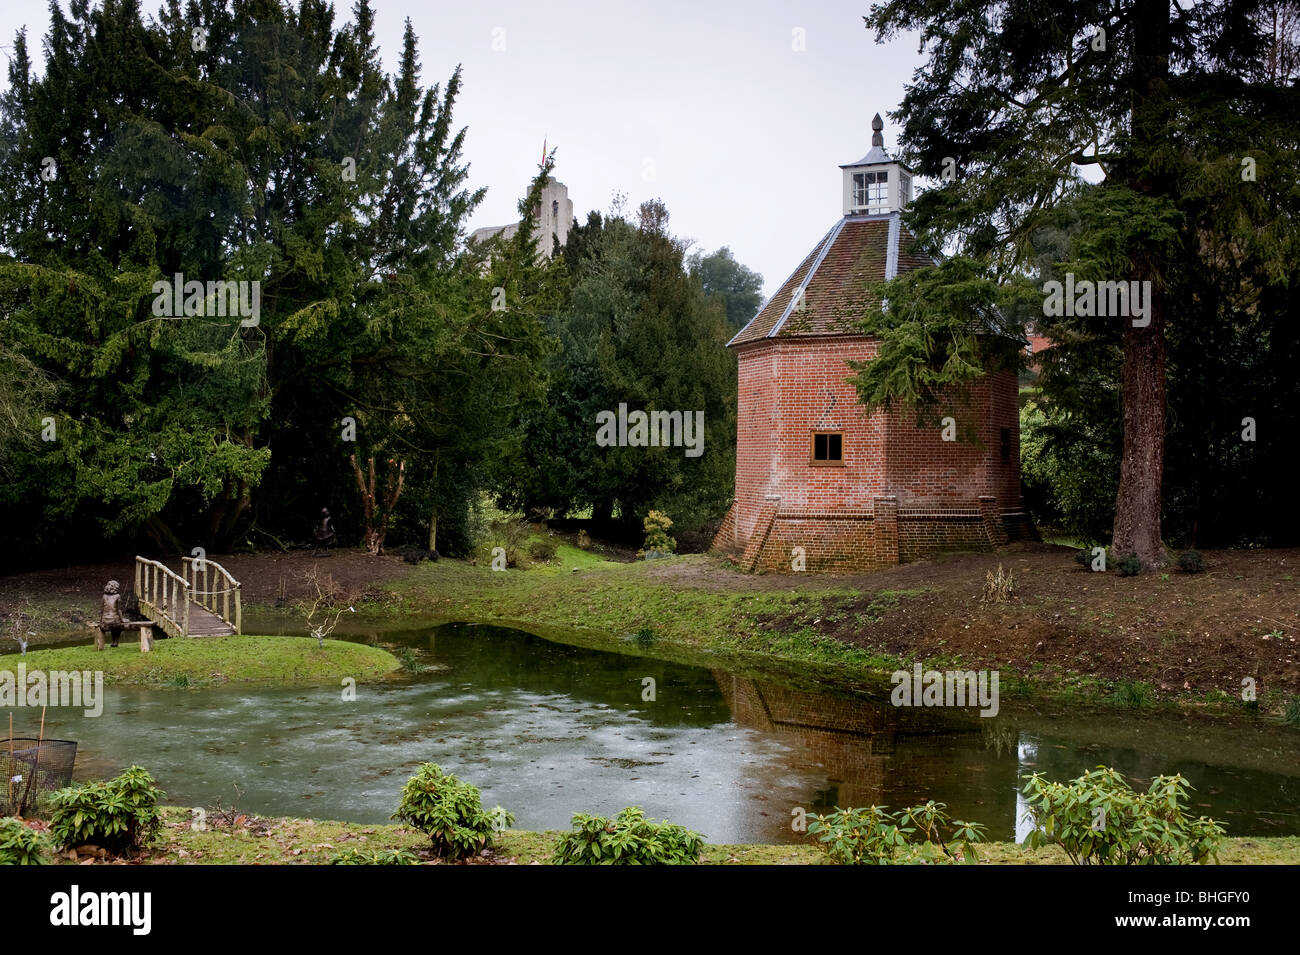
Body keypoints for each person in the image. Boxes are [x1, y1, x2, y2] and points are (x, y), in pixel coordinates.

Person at [100, 580, 125, 648]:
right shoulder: (117, 596)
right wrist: (122, 620)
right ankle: (115, 641)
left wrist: (101, 621)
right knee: (119, 626)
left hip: (105, 619)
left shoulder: (104, 596)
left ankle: (113, 642)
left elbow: (102, 610)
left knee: (113, 625)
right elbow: (119, 610)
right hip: (114, 619)